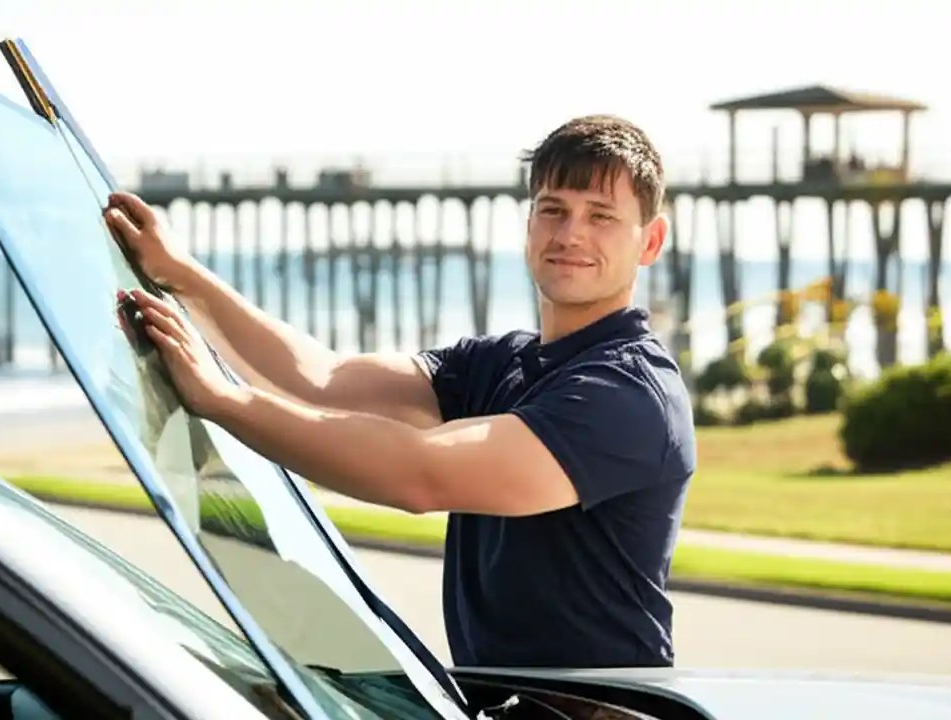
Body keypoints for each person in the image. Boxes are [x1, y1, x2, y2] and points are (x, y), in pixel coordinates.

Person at [105, 114, 696, 670]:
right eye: (553, 209)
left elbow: (421, 474)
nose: (570, 234)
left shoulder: (629, 393)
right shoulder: (502, 363)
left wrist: (222, 401)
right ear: (529, 224)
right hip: (506, 700)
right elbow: (324, 380)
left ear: (650, 241)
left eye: (601, 216)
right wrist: (180, 274)